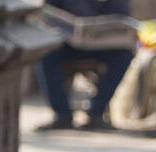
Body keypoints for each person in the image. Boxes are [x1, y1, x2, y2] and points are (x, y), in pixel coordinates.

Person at [35, 0, 135, 131]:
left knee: (124, 57)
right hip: (67, 44)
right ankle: (62, 115)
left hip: (104, 45)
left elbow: (122, 15)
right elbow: (49, 12)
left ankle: (96, 113)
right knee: (45, 57)